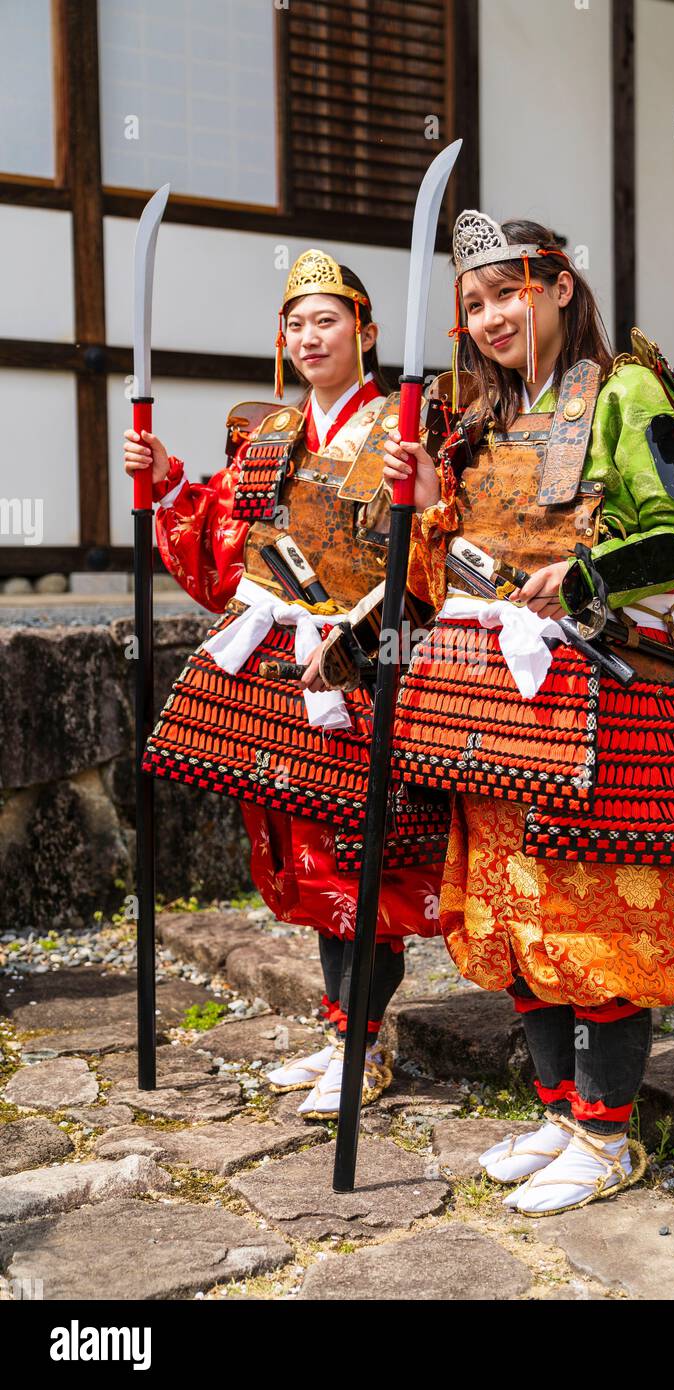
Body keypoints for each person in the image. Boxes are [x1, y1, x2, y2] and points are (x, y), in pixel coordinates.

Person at [381, 213, 674, 1216]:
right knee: (513, 920)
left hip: (601, 703)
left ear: (555, 286)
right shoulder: (483, 425)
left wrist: (588, 570)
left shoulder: (626, 390)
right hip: (495, 708)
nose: (487, 317)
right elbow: (449, 571)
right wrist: (427, 502)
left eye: (503, 292)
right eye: (470, 305)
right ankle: (558, 1111)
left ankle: (607, 1132)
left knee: (596, 922)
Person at [124, 249, 443, 1118]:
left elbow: (430, 555)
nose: (308, 336)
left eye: (326, 320)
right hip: (282, 673)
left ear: (366, 333)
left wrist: (367, 634)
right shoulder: (270, 438)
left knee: (365, 854)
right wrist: (168, 484)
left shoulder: (404, 429)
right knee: (308, 853)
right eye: (295, 323)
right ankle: (341, 1030)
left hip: (362, 666)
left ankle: (363, 1048)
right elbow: (227, 558)